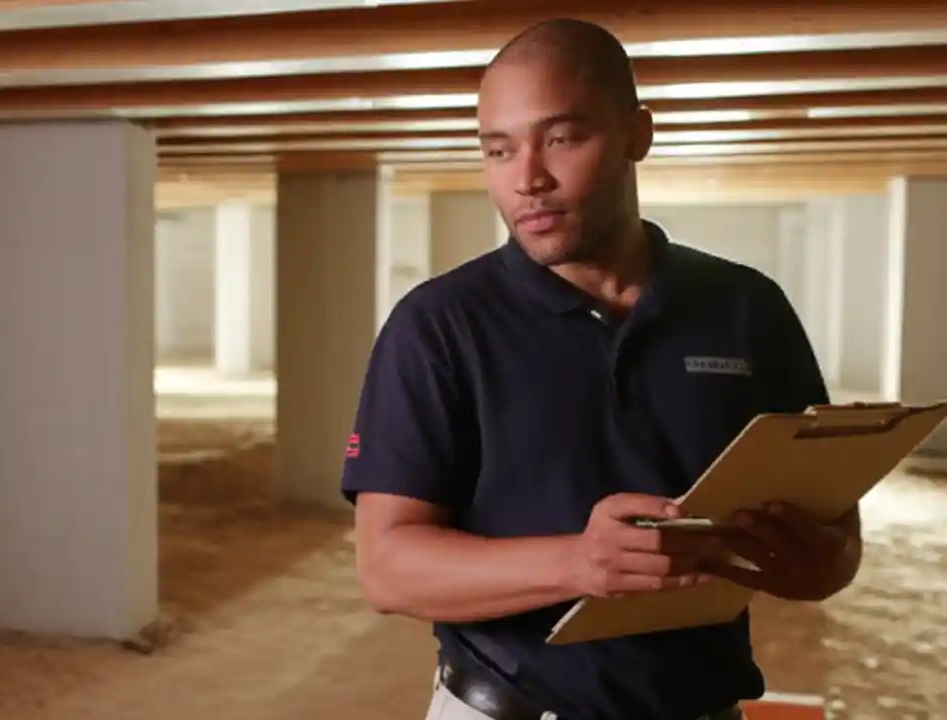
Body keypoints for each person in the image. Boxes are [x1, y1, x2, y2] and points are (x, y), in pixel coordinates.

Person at [339, 17, 864, 720]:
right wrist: (580, 563)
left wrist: (811, 564)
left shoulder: (746, 308)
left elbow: (837, 552)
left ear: (637, 134)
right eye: (499, 149)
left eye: (561, 138)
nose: (528, 179)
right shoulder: (439, 325)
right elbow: (387, 569)